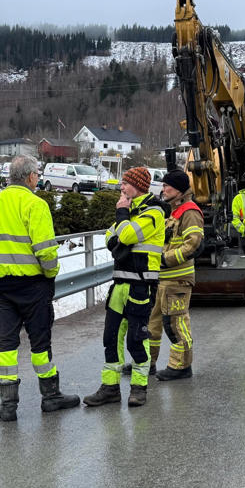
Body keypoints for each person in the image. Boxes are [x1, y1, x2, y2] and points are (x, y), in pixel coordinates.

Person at [0, 155, 79, 422]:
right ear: (30, 177)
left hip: (2, 288)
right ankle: (50, 396)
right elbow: (46, 251)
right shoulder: (35, 204)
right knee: (40, 342)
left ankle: (8, 405)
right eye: (37, 174)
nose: (38, 178)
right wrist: (50, 275)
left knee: (7, 343)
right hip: (33, 285)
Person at [83, 167, 166, 408]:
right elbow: (110, 236)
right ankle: (110, 388)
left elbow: (127, 236)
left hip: (141, 285)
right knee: (111, 337)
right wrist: (121, 230)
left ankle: (139, 387)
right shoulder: (131, 211)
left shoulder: (153, 212)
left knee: (136, 340)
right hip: (120, 284)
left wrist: (122, 216)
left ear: (138, 186)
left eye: (125, 184)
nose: (121, 187)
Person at [146, 169, 204, 381]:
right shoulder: (174, 211)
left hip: (178, 279)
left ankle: (181, 366)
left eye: (167, 186)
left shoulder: (190, 212)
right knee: (152, 323)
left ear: (178, 189)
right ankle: (147, 362)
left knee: (176, 324)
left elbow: (193, 244)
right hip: (163, 278)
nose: (163, 189)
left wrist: (165, 259)